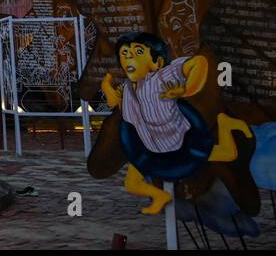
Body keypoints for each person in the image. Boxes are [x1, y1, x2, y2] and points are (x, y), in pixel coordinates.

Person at [103, 31, 252, 214]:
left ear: (156, 63)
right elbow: (114, 103)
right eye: (124, 54)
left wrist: (186, 90)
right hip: (150, 148)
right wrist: (108, 88)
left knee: (228, 153)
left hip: (178, 142)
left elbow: (198, 63)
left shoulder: (163, 78)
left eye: (138, 52)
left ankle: (225, 124)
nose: (129, 58)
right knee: (132, 184)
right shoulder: (128, 89)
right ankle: (161, 196)